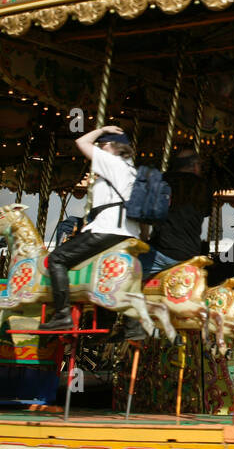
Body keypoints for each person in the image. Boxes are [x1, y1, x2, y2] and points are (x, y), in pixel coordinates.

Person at [39, 127, 137, 331]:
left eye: (103, 145)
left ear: (114, 147)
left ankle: (62, 315)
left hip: (108, 228)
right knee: (99, 272)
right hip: (128, 232)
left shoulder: (112, 162)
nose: (100, 149)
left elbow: (81, 143)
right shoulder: (132, 170)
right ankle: (121, 323)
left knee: (56, 259)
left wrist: (102, 129)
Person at [142, 148, 208, 277]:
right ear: (195, 166)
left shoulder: (162, 181)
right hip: (191, 254)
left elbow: (146, 218)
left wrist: (144, 240)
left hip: (162, 252)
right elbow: (204, 213)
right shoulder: (203, 186)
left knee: (132, 272)